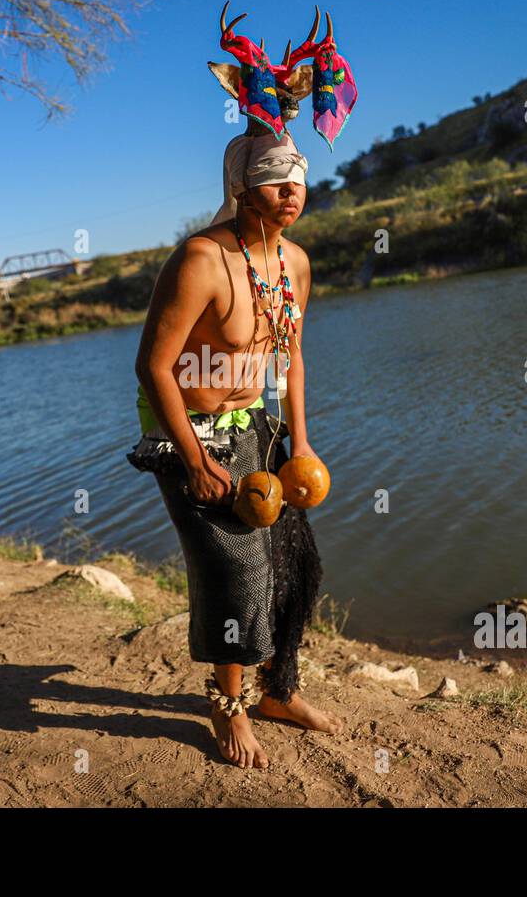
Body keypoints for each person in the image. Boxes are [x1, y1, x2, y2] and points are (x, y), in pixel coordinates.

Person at [128, 128, 341, 769]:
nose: (291, 191)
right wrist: (193, 460)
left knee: (293, 565)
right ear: (241, 188)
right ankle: (229, 708)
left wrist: (299, 443)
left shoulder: (293, 264)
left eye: (298, 178)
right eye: (276, 179)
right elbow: (154, 367)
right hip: (185, 431)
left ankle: (280, 690)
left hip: (254, 422)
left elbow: (292, 356)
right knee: (238, 569)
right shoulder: (199, 259)